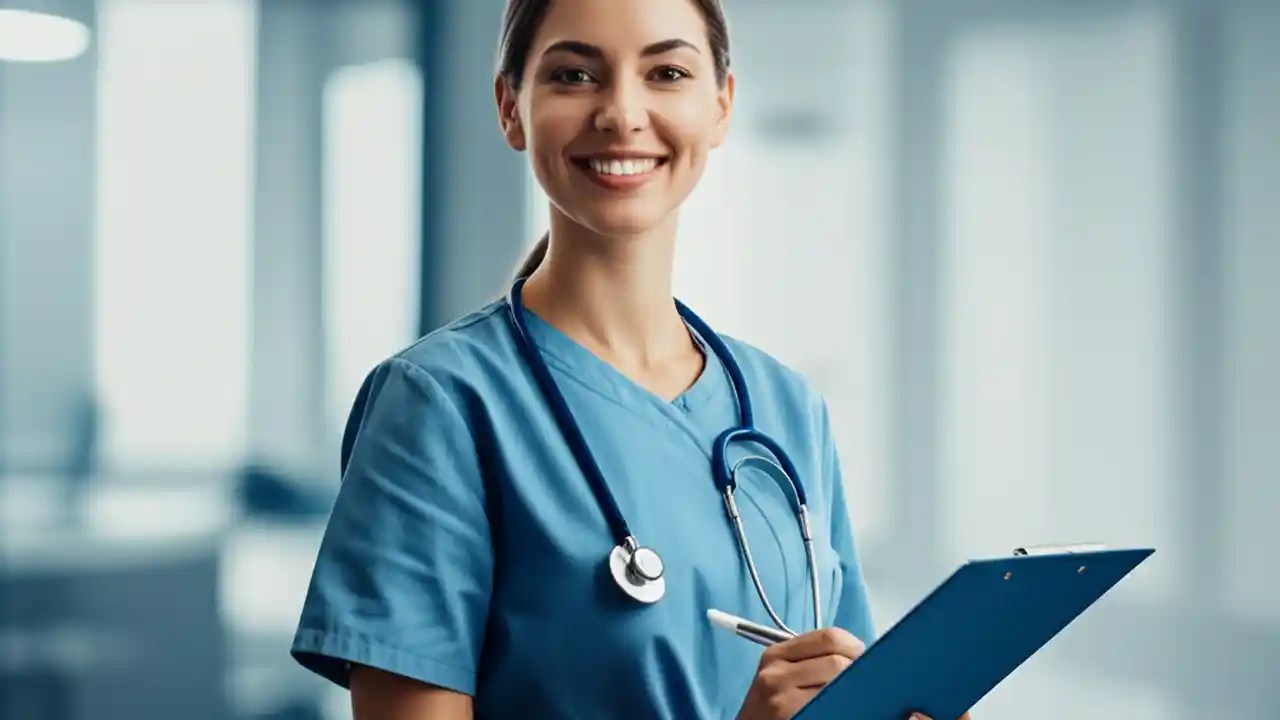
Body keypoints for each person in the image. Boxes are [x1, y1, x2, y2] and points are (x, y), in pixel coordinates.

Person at [290, 0, 972, 718]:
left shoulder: (785, 409)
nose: (621, 112)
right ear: (510, 108)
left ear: (721, 107)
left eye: (667, 72)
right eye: (575, 74)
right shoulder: (439, 406)